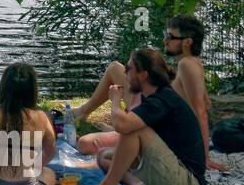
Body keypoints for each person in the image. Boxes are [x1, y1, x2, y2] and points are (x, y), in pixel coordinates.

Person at [71, 15, 223, 171]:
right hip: (152, 115)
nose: (165, 40)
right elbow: (203, 102)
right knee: (115, 68)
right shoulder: (191, 63)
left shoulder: (187, 65)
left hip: (156, 130)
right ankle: (83, 112)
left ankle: (116, 132)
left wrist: (204, 157)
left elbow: (200, 111)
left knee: (85, 143)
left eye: (170, 37)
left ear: (188, 42)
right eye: (165, 35)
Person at [80, 48, 207, 185]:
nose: (125, 73)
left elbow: (123, 125)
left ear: (143, 75)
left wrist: (115, 100)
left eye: (128, 69)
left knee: (132, 129)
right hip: (169, 166)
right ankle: (139, 184)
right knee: (103, 155)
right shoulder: (153, 95)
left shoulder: (161, 100)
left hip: (186, 182)